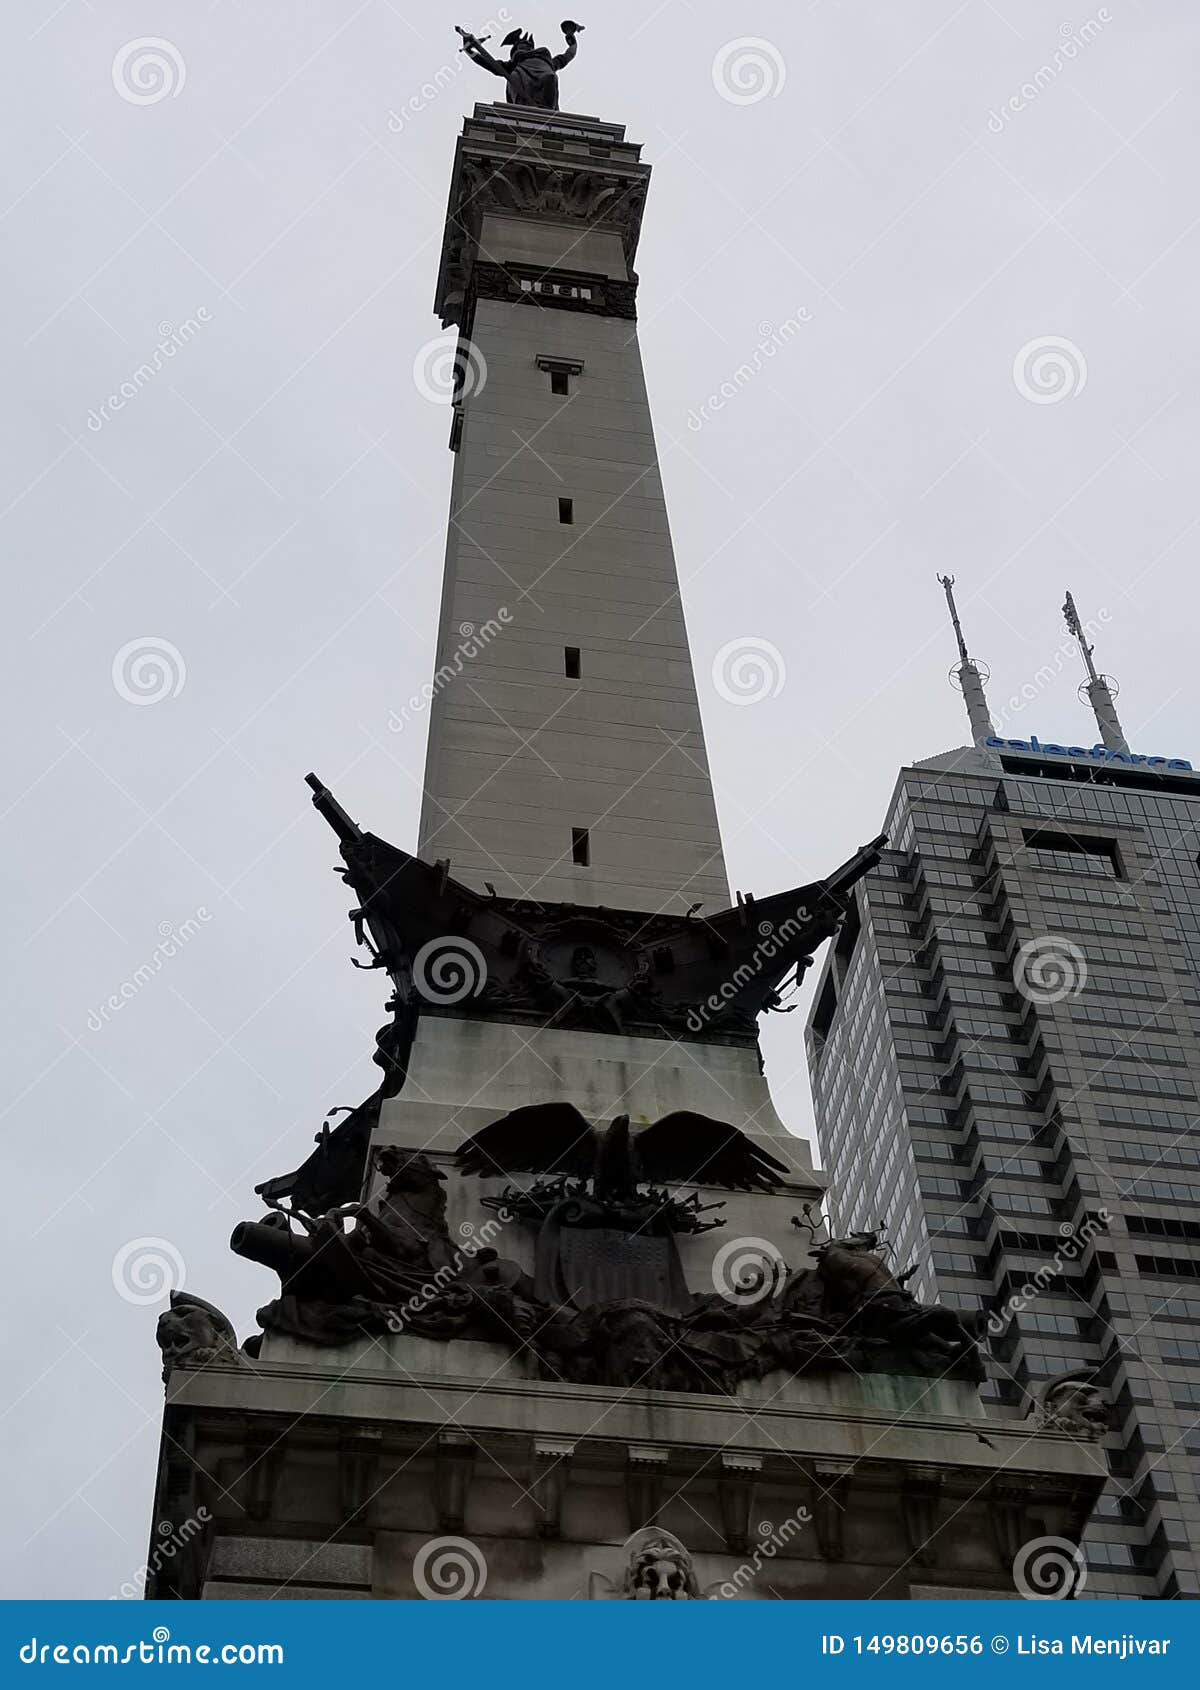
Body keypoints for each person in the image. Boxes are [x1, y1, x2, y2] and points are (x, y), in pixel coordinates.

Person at [459, 22, 582, 110]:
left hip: (545, 75)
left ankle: (547, 110)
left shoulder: (548, 60)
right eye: (522, 44)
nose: (526, 45)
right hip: (520, 81)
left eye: (528, 43)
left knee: (550, 77)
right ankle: (527, 110)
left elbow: (568, 55)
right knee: (517, 79)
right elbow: (490, 64)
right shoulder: (512, 64)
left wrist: (572, 40)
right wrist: (469, 51)